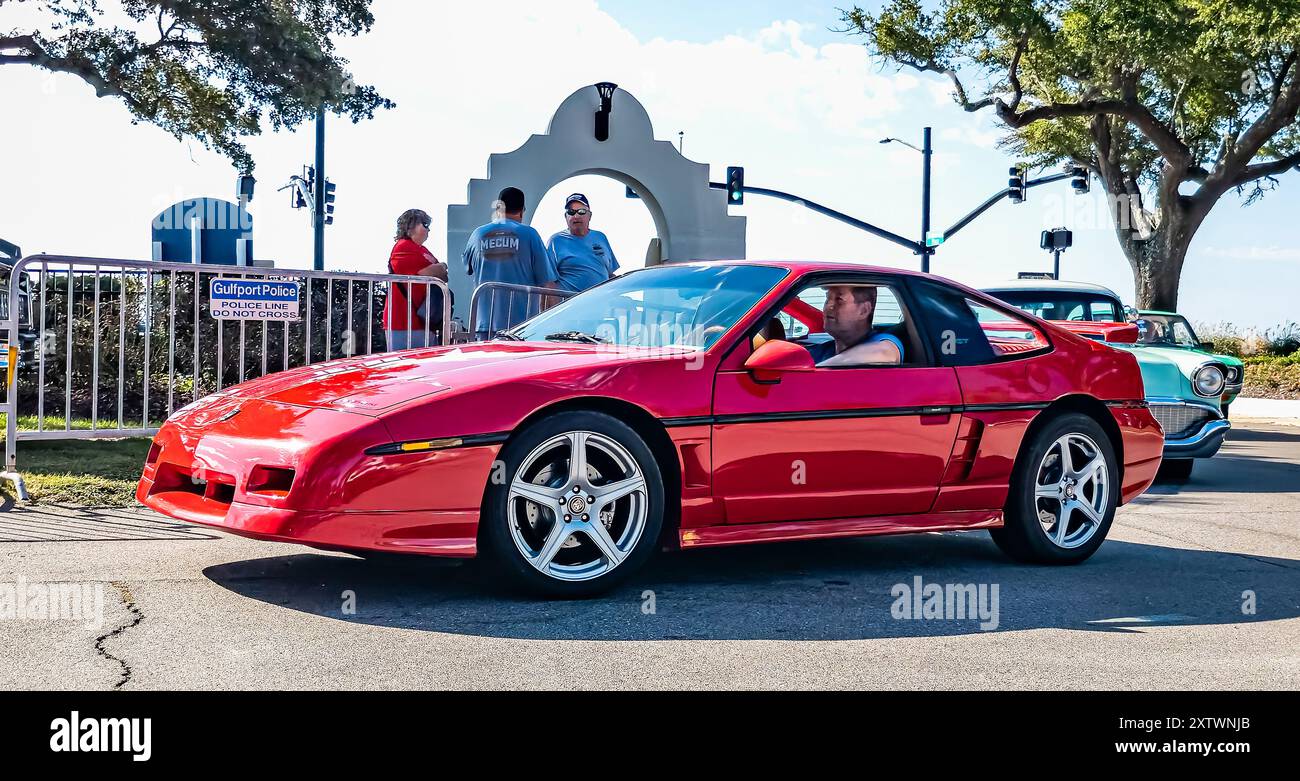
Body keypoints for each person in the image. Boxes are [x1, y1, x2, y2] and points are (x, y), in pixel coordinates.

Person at [463, 187, 559, 339]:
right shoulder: (530, 235)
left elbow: (468, 267)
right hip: (522, 328)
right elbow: (547, 284)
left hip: (483, 325)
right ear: (522, 211)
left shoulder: (478, 234)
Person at [384, 208, 448, 350]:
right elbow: (431, 272)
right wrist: (441, 266)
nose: (428, 230)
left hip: (423, 321)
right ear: (410, 226)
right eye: (424, 225)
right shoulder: (402, 247)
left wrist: (440, 268)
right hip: (403, 321)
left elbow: (442, 274)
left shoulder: (422, 250)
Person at [806, 285, 903, 366]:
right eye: (827, 298)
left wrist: (814, 372)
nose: (828, 305)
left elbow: (884, 353)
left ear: (864, 310)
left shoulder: (882, 341)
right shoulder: (821, 351)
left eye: (839, 299)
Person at [546, 193, 619, 293]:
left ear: (590, 215)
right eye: (571, 212)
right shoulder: (555, 241)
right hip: (571, 305)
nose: (576, 216)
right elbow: (548, 280)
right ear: (565, 216)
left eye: (581, 212)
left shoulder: (601, 237)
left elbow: (610, 274)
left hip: (600, 303)